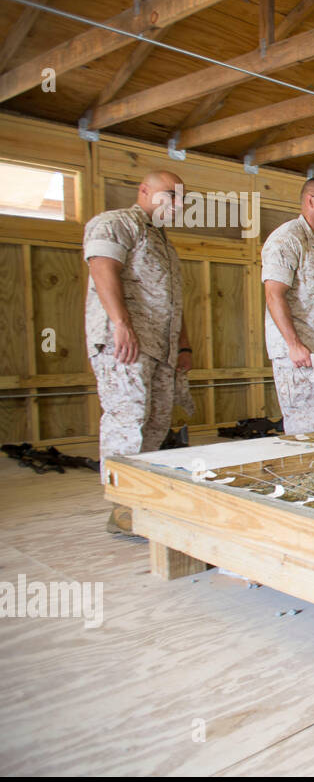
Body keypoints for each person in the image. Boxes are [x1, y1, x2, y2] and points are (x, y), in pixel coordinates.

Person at [84, 170, 192, 532]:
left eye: (181, 198)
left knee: (157, 422)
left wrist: (183, 345)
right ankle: (122, 507)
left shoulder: (162, 240)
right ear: (144, 191)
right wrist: (120, 324)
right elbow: (102, 267)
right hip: (126, 344)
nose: (176, 204)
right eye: (169, 195)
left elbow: (174, 299)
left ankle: (140, 499)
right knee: (126, 420)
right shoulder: (117, 223)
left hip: (161, 348)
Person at [262, 177, 314, 433]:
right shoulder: (287, 239)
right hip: (297, 355)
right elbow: (274, 294)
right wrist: (294, 345)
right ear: (311, 201)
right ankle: (302, 471)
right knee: (304, 430)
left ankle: (311, 469)